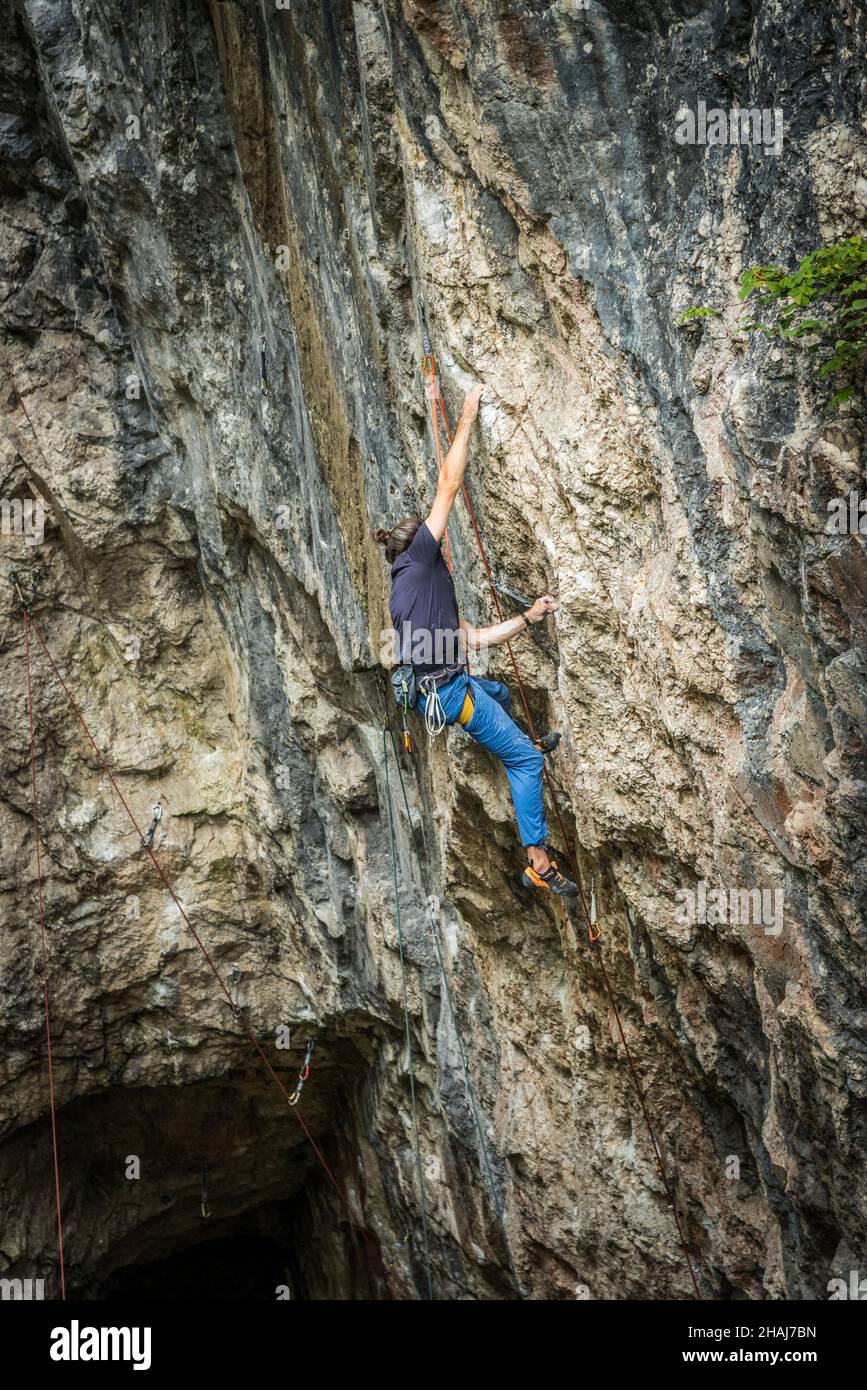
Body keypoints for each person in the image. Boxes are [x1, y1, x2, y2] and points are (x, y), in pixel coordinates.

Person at [374, 384, 578, 896]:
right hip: (449, 693)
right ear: (419, 544)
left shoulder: (409, 591)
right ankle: (538, 859)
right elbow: (448, 484)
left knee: (504, 695)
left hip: (435, 691)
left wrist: (528, 618)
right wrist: (464, 414)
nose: (435, 536)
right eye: (429, 535)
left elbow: (478, 636)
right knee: (526, 762)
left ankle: (520, 736)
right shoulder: (420, 557)